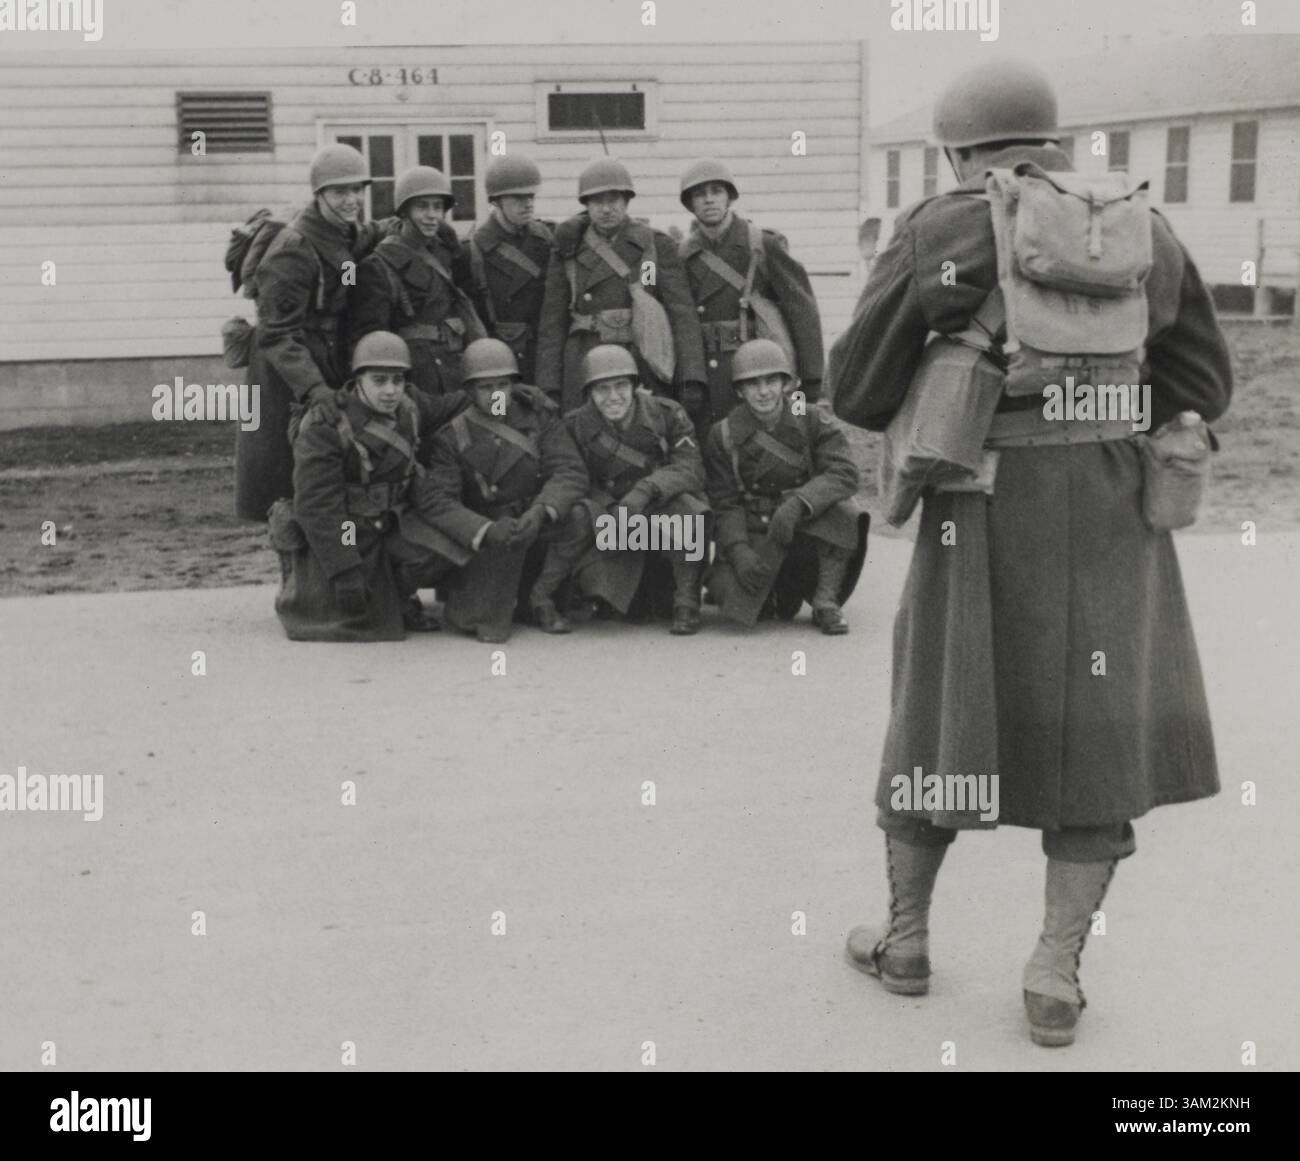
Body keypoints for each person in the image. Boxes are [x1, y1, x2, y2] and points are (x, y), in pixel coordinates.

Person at [831, 59, 1233, 1046]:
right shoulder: (1144, 226)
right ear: (1053, 140)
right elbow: (1204, 386)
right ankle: (1053, 979)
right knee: (1096, 731)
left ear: (956, 147)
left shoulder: (937, 228)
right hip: (1107, 513)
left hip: (979, 501)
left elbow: (856, 390)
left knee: (942, 709)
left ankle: (908, 943)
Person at [269, 332, 468, 641]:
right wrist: (343, 570)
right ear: (358, 379)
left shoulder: (410, 407)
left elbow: (454, 404)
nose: (390, 391)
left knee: (447, 550)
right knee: (342, 607)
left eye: (398, 380)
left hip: (389, 521)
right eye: (379, 380)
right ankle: (360, 589)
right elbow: (318, 508)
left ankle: (398, 597)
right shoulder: (327, 425)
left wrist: (510, 390)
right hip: (346, 529)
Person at [235, 143, 393, 521]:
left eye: (358, 190)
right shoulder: (293, 250)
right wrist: (314, 388)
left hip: (323, 355)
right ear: (319, 195)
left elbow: (353, 245)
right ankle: (292, 571)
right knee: (288, 476)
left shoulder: (338, 232)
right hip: (284, 376)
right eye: (340, 192)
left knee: (322, 472)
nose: (352, 200)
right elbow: (276, 335)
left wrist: (390, 226)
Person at [421, 339, 589, 642]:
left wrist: (540, 513)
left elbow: (569, 470)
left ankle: (541, 596)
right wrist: (484, 529)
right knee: (482, 620)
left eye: (503, 384)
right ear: (469, 392)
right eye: (486, 388)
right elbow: (438, 500)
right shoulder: (451, 437)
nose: (497, 395)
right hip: (491, 535)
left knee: (577, 515)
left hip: (535, 525)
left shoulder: (540, 418)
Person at [535, 344, 710, 636]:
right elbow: (572, 476)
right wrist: (610, 506)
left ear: (635, 386)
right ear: (589, 392)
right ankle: (543, 596)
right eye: (602, 389)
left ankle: (687, 602)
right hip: (610, 522)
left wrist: (645, 491)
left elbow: (691, 468)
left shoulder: (667, 414)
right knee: (577, 515)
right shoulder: (574, 425)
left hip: (654, 513)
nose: (613, 397)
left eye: (621, 386)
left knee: (689, 508)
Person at [704, 340, 868, 634]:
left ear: (785, 384)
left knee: (845, 513)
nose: (764, 391)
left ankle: (825, 601)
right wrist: (737, 549)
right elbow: (724, 501)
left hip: (803, 523)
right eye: (752, 384)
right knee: (730, 593)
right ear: (739, 391)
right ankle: (778, 592)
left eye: (771, 381)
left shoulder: (811, 418)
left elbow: (844, 472)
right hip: (755, 524)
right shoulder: (723, 434)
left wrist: (800, 503)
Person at [535, 157, 707, 414]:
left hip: (641, 359)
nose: (606, 209)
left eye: (613, 200)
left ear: (626, 201)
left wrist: (691, 378)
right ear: (586, 206)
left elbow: (681, 314)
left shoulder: (653, 246)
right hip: (585, 359)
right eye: (597, 201)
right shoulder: (568, 250)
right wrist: (549, 386)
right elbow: (552, 323)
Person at [677, 158, 824, 432]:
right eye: (699, 194)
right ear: (690, 203)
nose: (709, 200)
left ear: (729, 197)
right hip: (709, 374)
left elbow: (800, 308)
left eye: (716, 192)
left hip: (758, 370)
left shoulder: (762, 244)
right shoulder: (683, 255)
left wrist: (812, 375)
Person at [347, 165, 483, 398]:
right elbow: (369, 344)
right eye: (422, 206)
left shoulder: (447, 252)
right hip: (412, 379)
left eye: (438, 207)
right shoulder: (378, 267)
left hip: (453, 369)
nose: (432, 215)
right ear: (404, 211)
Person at [463, 155, 554, 384]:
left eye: (531, 196)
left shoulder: (545, 239)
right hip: (499, 360)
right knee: (499, 413)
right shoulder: (473, 250)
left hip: (542, 356)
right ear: (496, 201)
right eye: (518, 197)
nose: (528, 204)